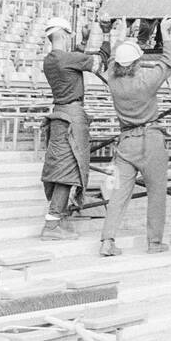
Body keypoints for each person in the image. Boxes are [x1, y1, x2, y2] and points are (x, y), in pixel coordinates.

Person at [100, 20, 171, 256]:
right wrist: (165, 32)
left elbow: (113, 59)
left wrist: (121, 35)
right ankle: (154, 242)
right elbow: (168, 62)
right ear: (136, 62)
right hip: (151, 139)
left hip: (126, 142)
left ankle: (107, 240)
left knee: (119, 194)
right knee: (156, 193)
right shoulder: (145, 81)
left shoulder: (112, 80)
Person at [39, 15, 107, 240]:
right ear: (63, 35)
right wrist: (105, 35)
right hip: (73, 116)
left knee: (62, 168)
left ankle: (57, 219)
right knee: (69, 171)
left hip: (59, 114)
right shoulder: (68, 58)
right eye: (69, 35)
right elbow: (99, 62)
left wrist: (84, 42)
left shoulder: (51, 60)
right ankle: (51, 224)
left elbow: (74, 58)